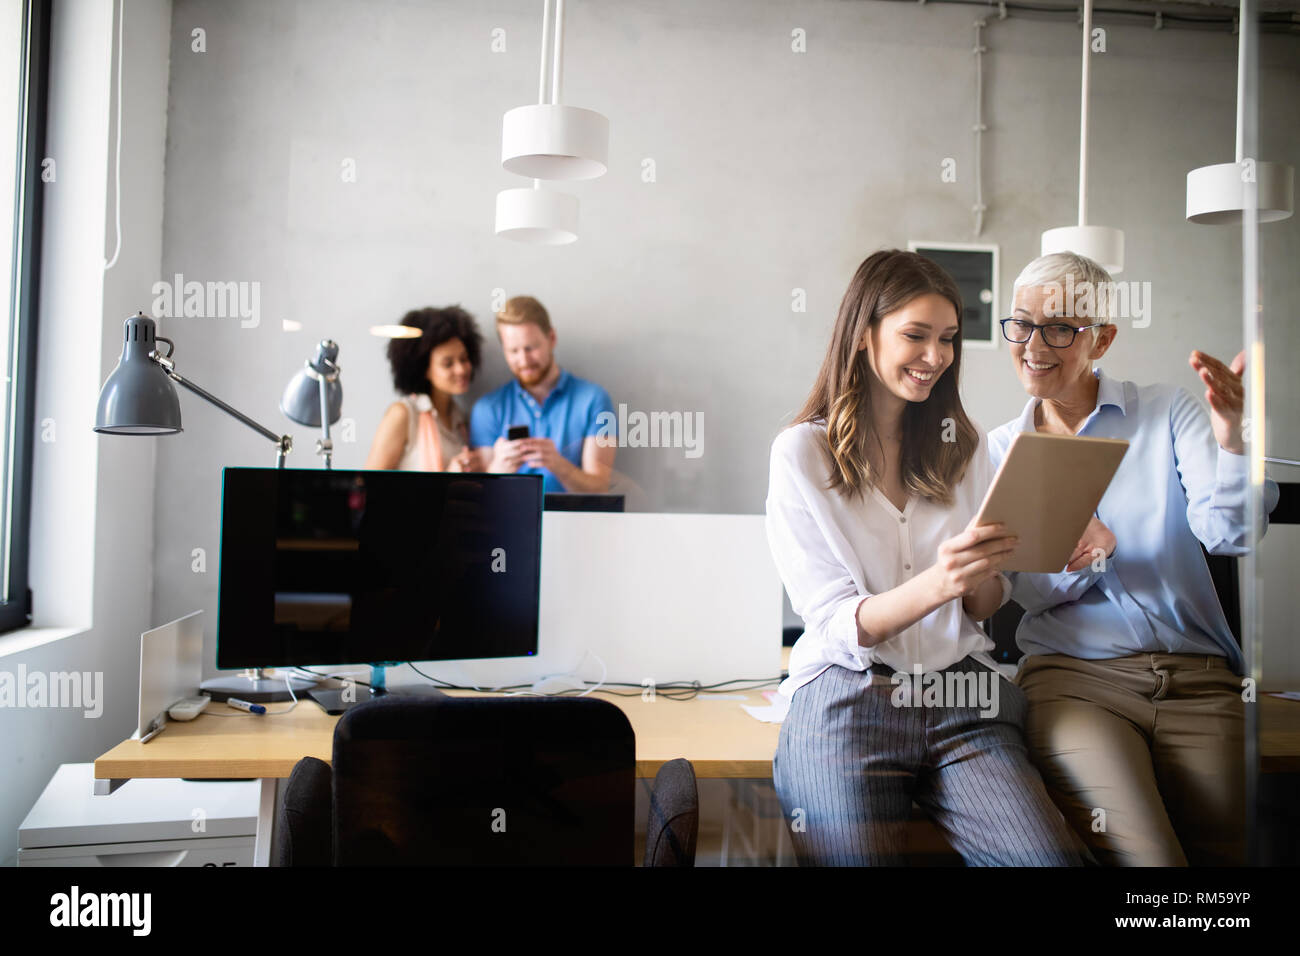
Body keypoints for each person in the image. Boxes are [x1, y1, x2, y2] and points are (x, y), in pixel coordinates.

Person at [766, 249, 1090, 866]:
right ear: (864, 336)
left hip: (963, 697)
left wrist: (985, 575)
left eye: (947, 339)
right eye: (915, 335)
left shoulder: (963, 449)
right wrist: (942, 582)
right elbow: (837, 623)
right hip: (848, 695)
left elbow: (987, 604)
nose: (936, 357)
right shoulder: (801, 455)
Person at [990, 251, 1280, 866]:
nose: (1035, 345)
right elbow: (1017, 593)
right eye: (1021, 323)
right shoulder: (1000, 450)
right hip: (1076, 681)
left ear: (1103, 338)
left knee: (1233, 866)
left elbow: (1230, 534)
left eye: (1062, 327)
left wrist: (1234, 441)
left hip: (1200, 679)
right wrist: (1083, 556)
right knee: (1154, 865)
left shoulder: (1166, 412)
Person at [469, 296, 616, 492]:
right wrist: (498, 469)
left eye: (531, 348)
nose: (524, 360)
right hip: (509, 520)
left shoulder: (593, 400)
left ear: (551, 338)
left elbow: (600, 488)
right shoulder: (487, 408)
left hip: (575, 520)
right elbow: (479, 496)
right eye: (513, 351)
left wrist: (558, 465)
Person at [365, 306, 482, 472]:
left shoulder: (461, 420)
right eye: (448, 364)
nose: (461, 369)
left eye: (464, 359)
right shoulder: (403, 414)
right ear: (424, 369)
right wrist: (449, 479)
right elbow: (370, 485)